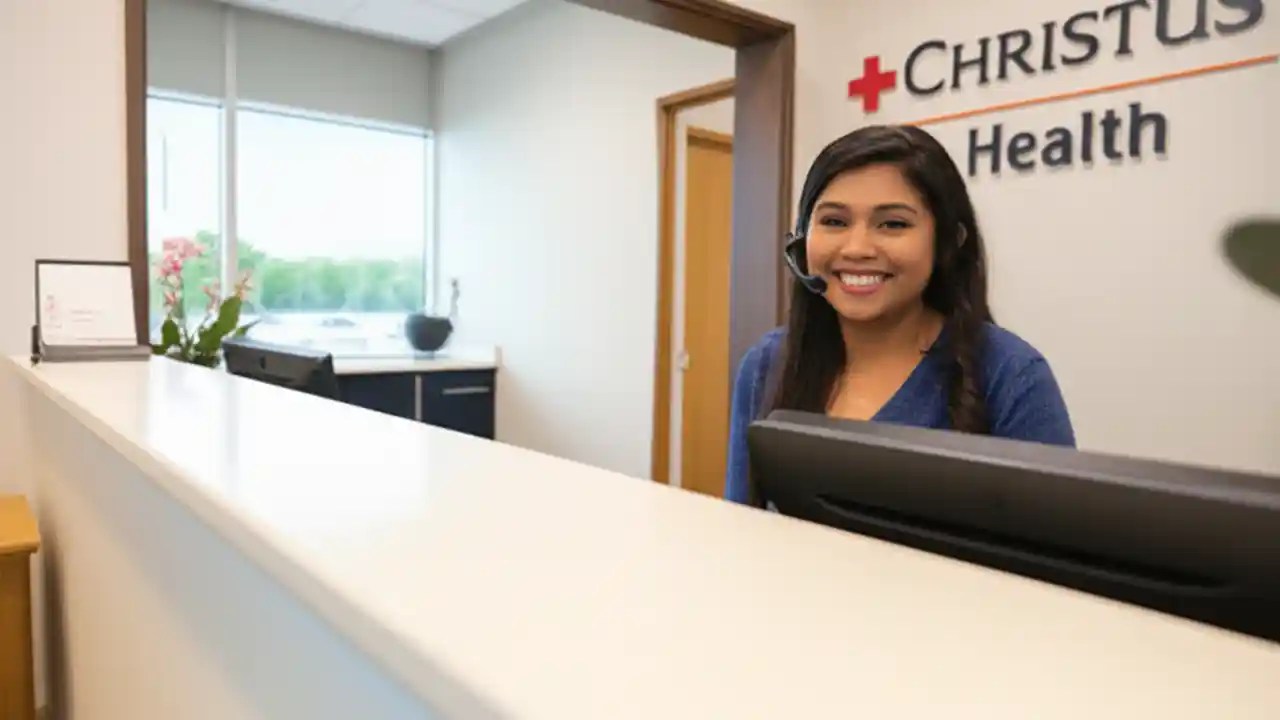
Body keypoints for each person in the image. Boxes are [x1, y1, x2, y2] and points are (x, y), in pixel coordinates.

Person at [725, 125, 1074, 506]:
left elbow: (1054, 557)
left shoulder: (1010, 374)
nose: (857, 248)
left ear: (948, 242)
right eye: (834, 221)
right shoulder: (766, 364)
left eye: (893, 224)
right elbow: (743, 529)